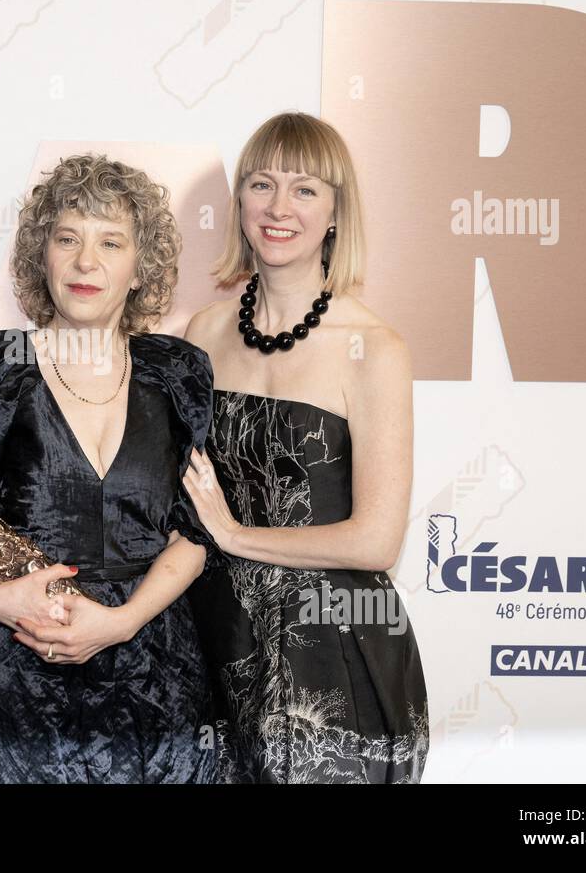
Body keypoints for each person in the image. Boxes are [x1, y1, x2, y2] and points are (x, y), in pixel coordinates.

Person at [0, 153, 215, 783]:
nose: (87, 262)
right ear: (42, 256)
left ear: (140, 268)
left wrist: (122, 622)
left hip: (159, 682)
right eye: (68, 239)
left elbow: (195, 531)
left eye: (111, 242)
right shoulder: (0, 370)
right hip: (27, 682)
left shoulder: (177, 373)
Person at [182, 112, 429, 783]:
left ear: (336, 212)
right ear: (239, 202)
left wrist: (234, 534)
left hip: (333, 659)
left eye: (305, 189)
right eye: (262, 184)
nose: (279, 207)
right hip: (213, 647)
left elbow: (375, 541)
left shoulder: (374, 350)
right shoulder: (198, 336)